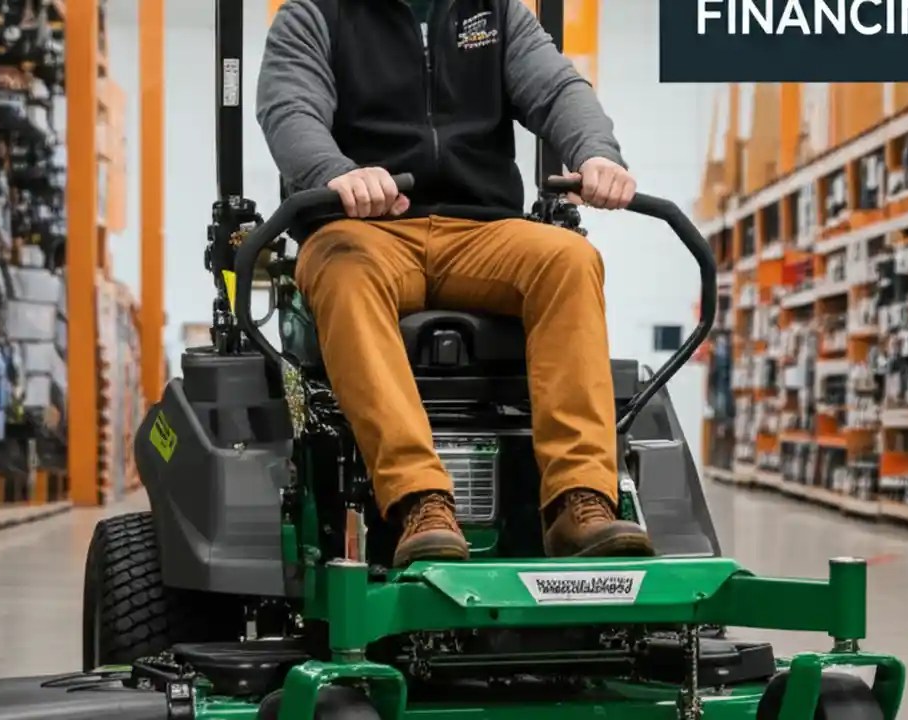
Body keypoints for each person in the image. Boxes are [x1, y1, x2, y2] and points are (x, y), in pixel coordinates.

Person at [257, 0, 653, 567]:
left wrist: (596, 154)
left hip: (482, 229)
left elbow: (558, 90)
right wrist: (335, 173)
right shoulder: (316, 15)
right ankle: (420, 500)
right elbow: (289, 108)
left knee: (569, 259)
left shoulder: (496, 14)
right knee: (343, 269)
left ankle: (580, 500)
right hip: (367, 226)